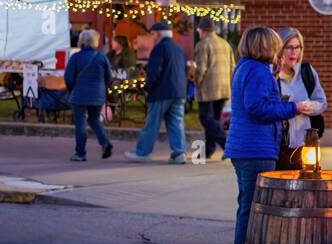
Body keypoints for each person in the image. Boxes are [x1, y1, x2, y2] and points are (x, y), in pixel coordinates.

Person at [226, 26, 314, 244]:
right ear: (265, 47)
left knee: (248, 208)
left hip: (246, 148)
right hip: (255, 149)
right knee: (252, 211)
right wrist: (293, 108)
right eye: (276, 45)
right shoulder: (256, 71)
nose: (280, 50)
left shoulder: (246, 67)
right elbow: (257, 107)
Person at [124, 21, 190, 164]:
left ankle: (142, 152)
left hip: (161, 92)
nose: (152, 37)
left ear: (159, 34)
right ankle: (179, 153)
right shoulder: (178, 48)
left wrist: (148, 88)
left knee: (152, 124)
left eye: (153, 34)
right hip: (179, 91)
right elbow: (184, 69)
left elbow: (154, 72)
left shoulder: (159, 49)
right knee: (176, 123)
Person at [274, 27, 326, 171]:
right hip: (279, 147)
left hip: (305, 146)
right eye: (289, 47)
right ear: (280, 49)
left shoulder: (307, 72)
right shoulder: (272, 75)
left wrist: (308, 106)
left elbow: (322, 103)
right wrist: (291, 108)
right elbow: (267, 108)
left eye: (297, 47)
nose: (294, 52)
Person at [63, 29, 113, 162]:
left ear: (81, 41)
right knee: (94, 120)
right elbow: (109, 78)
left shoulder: (75, 57)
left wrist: (71, 89)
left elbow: (68, 77)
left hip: (79, 95)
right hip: (97, 95)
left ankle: (80, 153)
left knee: (80, 123)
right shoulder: (101, 57)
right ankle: (105, 143)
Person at [193, 17, 234, 161]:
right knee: (214, 119)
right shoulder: (225, 44)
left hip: (208, 89)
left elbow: (201, 69)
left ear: (201, 30)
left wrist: (196, 83)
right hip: (224, 88)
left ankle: (228, 145)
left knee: (206, 119)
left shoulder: (202, 44)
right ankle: (208, 150)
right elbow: (232, 66)